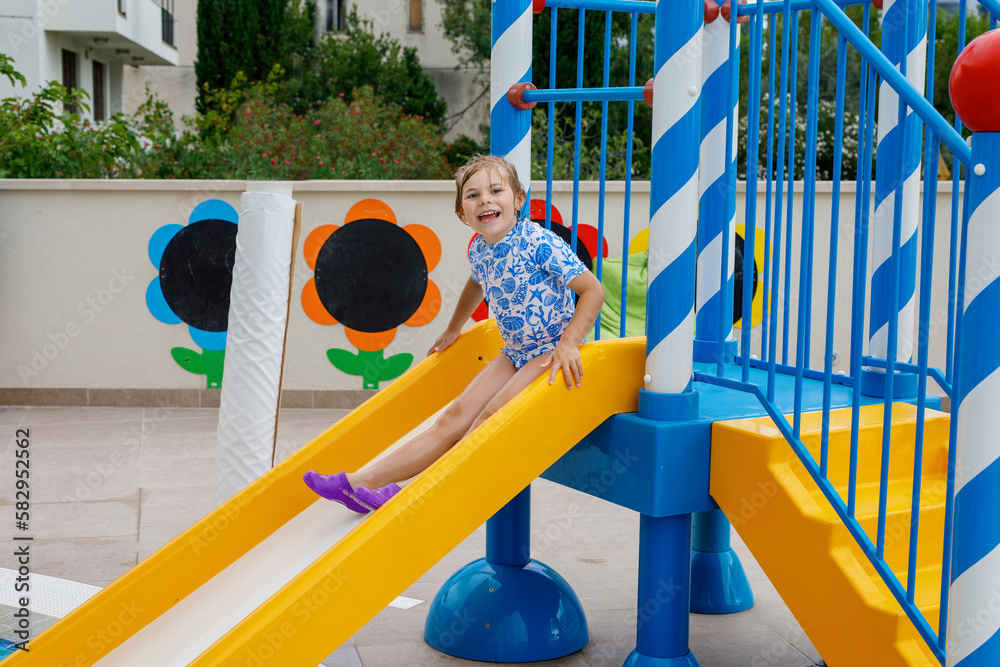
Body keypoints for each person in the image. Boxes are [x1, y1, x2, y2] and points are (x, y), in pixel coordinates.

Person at [303, 154, 605, 513]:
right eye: (473, 195)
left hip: (550, 351)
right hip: (515, 353)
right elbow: (475, 285)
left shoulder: (538, 242)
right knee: (453, 417)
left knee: (490, 416)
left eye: (496, 190)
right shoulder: (480, 250)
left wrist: (569, 343)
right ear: (463, 213)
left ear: (518, 199)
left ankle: (420, 496)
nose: (486, 200)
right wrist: (453, 327)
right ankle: (362, 483)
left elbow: (593, 290)